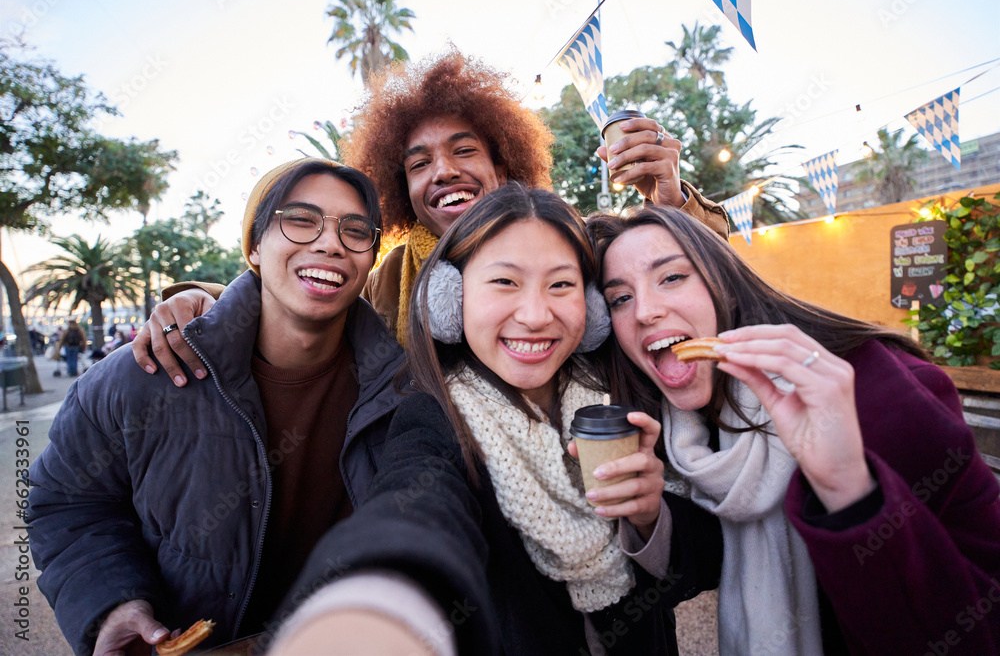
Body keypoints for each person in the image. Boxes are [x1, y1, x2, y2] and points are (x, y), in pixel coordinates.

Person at [266, 184, 722, 656]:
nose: (535, 315)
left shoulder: (626, 393)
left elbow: (707, 562)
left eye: (561, 285)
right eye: (505, 282)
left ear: (591, 304)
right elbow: (414, 509)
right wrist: (376, 607)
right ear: (451, 298)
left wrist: (651, 517)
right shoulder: (434, 418)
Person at [130, 48, 729, 384]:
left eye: (464, 151)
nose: (442, 171)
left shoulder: (570, 243)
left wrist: (670, 198)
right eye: (419, 163)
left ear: (505, 162)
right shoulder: (385, 280)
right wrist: (200, 299)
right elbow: (298, 295)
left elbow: (700, 276)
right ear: (401, 187)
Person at [27, 158, 407, 655]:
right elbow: (68, 504)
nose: (330, 243)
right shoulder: (142, 372)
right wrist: (113, 602)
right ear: (253, 245)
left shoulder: (404, 390)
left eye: (355, 230)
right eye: (299, 219)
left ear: (371, 259)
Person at [587, 205, 1000, 655]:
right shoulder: (685, 425)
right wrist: (650, 515)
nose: (645, 311)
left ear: (724, 284)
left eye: (672, 277)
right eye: (620, 298)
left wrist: (849, 491)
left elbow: (973, 625)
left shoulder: (883, 391)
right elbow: (718, 552)